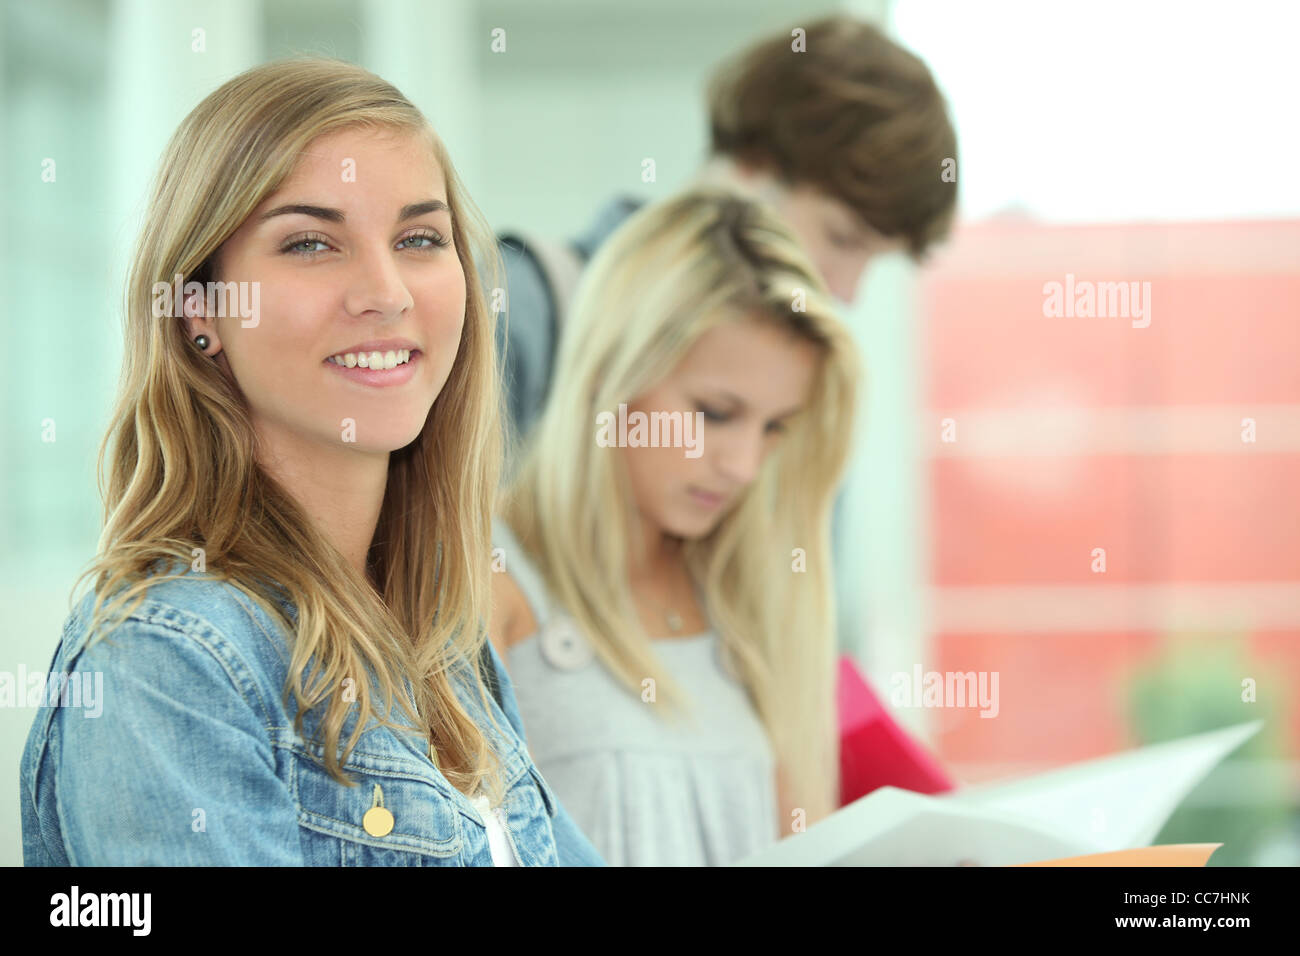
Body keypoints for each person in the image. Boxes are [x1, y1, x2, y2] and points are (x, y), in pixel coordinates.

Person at [19, 58, 601, 866]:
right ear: (200, 310)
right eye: (311, 242)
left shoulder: (444, 644)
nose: (386, 290)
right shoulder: (167, 656)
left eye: (420, 238)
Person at [490, 187, 861, 865]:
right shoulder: (492, 582)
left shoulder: (751, 604)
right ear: (611, 372)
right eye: (716, 413)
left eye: (775, 427)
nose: (745, 465)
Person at [497, 14, 956, 445]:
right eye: (841, 238)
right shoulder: (517, 313)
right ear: (754, 162)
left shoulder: (793, 390)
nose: (845, 292)